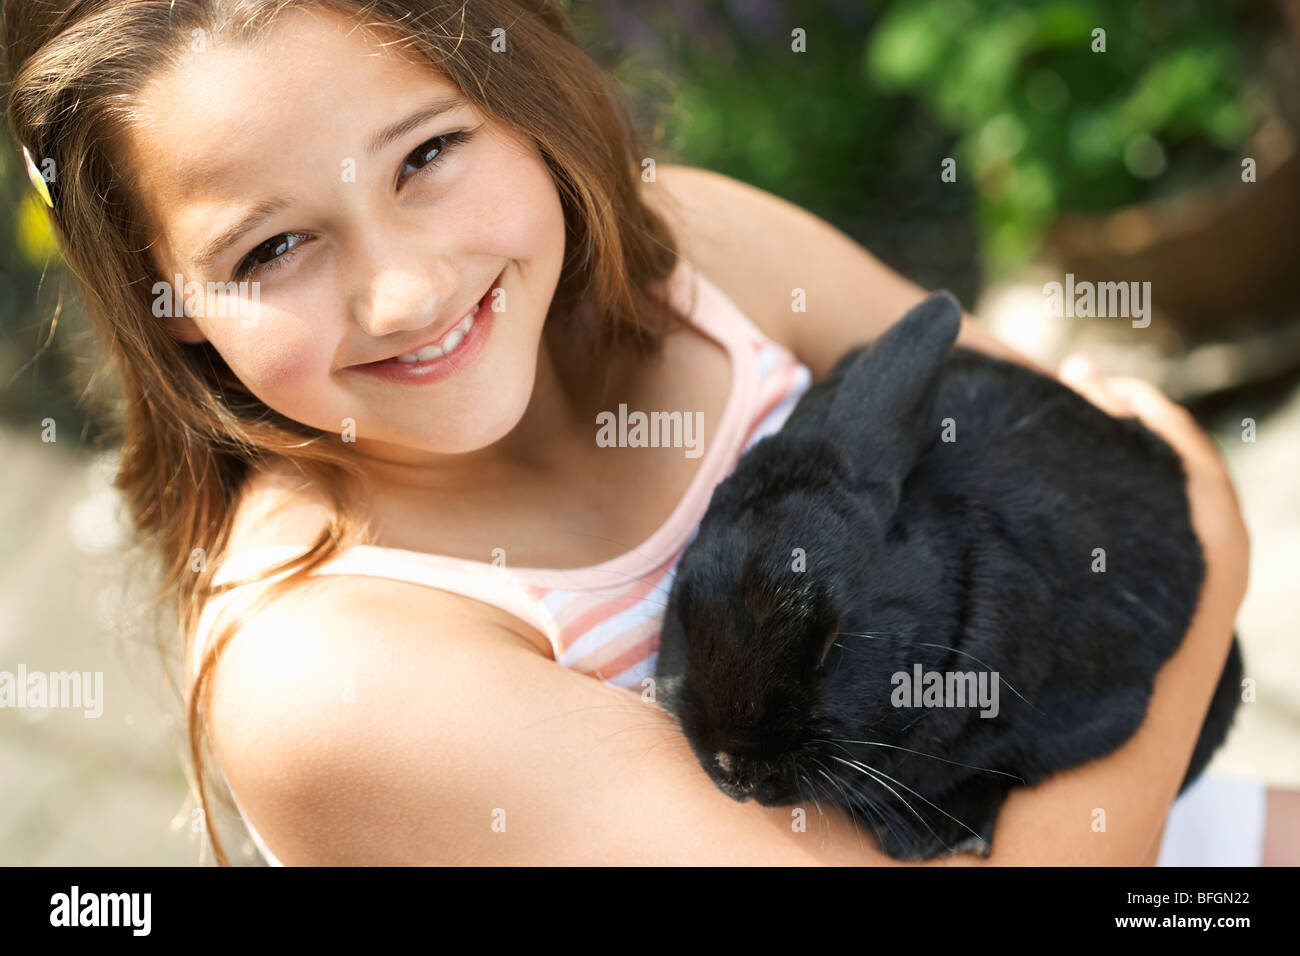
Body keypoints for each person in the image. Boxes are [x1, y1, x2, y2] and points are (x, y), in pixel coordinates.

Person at [4, 0, 1282, 866]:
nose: (405, 289)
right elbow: (1141, 497)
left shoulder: (699, 256)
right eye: (271, 246)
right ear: (163, 300)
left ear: (523, 99)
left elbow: (1052, 456)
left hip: (1104, 802)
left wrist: (1145, 577)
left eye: (429, 152)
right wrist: (1199, 561)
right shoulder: (334, 671)